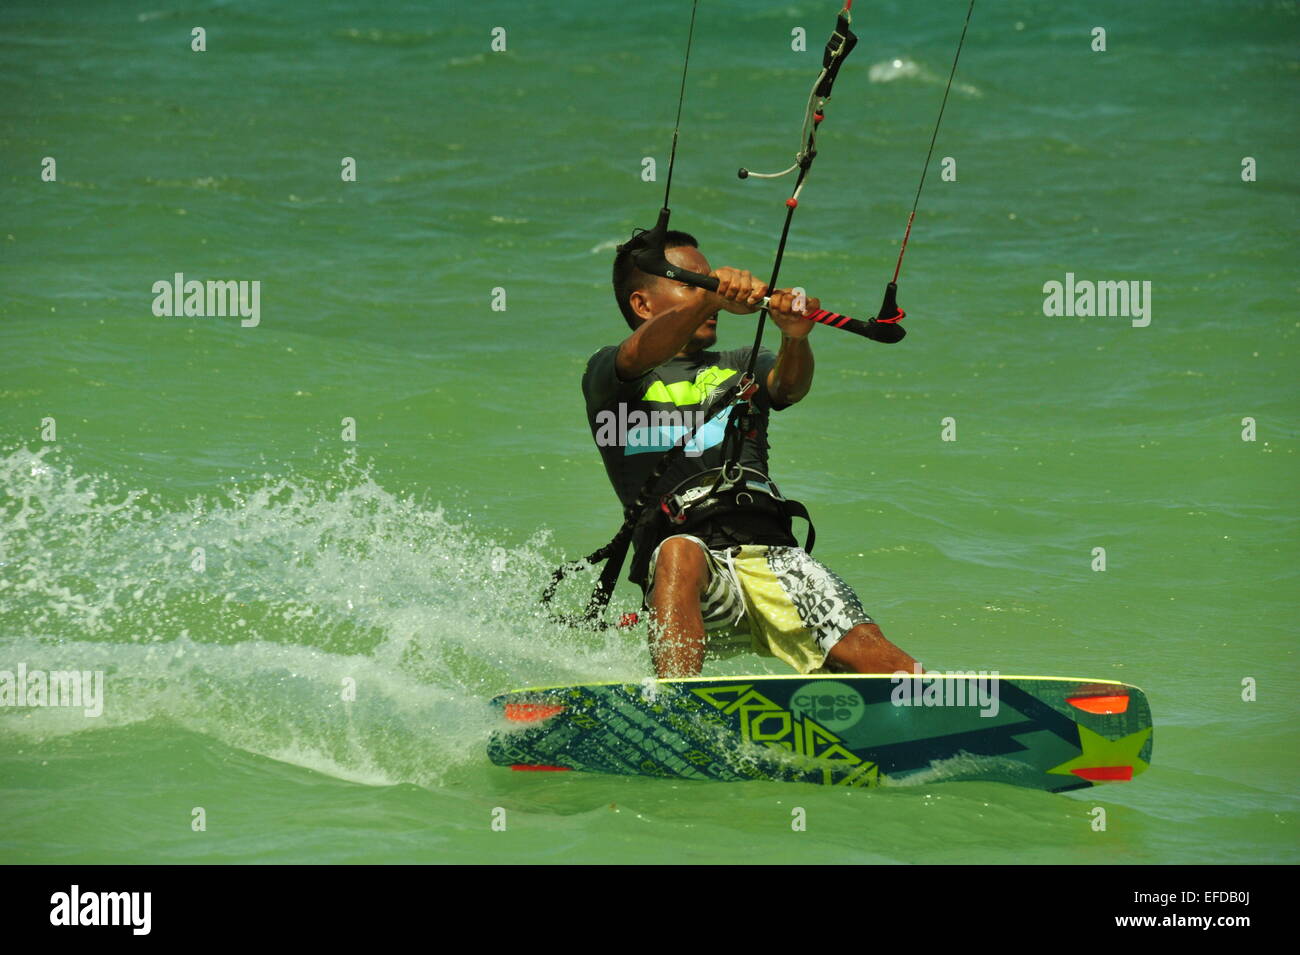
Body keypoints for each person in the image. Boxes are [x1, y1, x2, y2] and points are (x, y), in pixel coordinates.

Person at [582, 229, 920, 679]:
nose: (707, 293)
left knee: (881, 660)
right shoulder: (610, 374)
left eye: (709, 281)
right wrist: (712, 298)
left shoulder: (742, 361)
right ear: (643, 304)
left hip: (773, 556)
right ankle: (674, 706)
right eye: (691, 283)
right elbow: (639, 352)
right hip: (688, 573)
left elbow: (787, 387)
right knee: (678, 552)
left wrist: (796, 336)